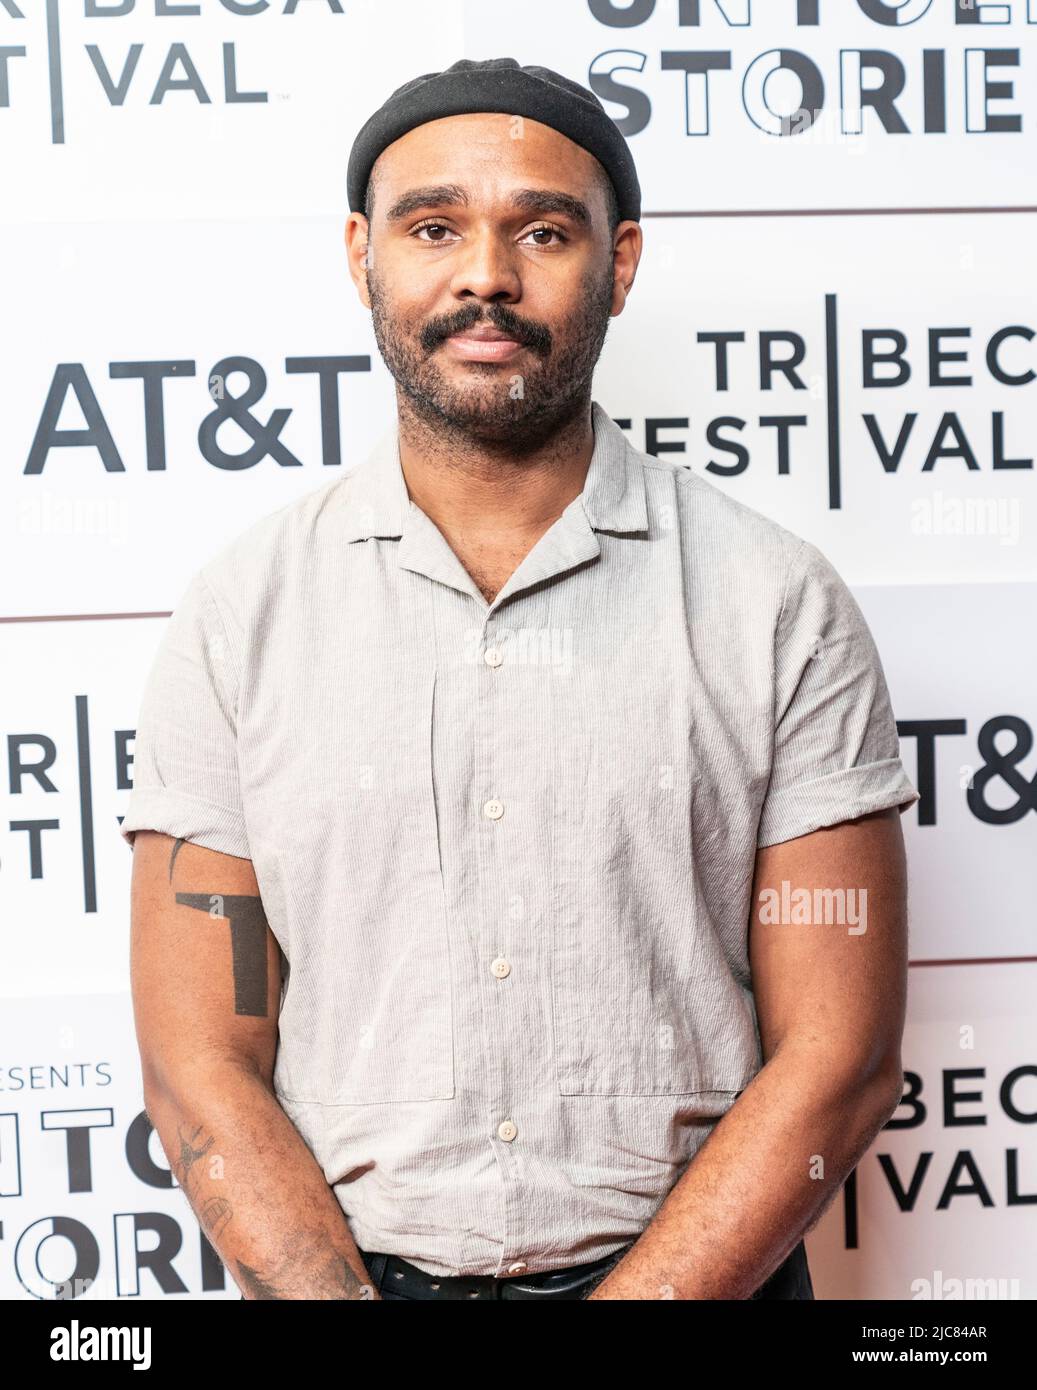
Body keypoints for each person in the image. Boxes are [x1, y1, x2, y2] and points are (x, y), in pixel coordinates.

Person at [122, 57, 920, 1302]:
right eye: (432, 226)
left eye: (541, 230)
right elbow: (197, 1061)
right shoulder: (242, 615)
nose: (484, 273)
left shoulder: (775, 603)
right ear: (360, 254)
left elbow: (840, 1051)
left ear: (620, 261)